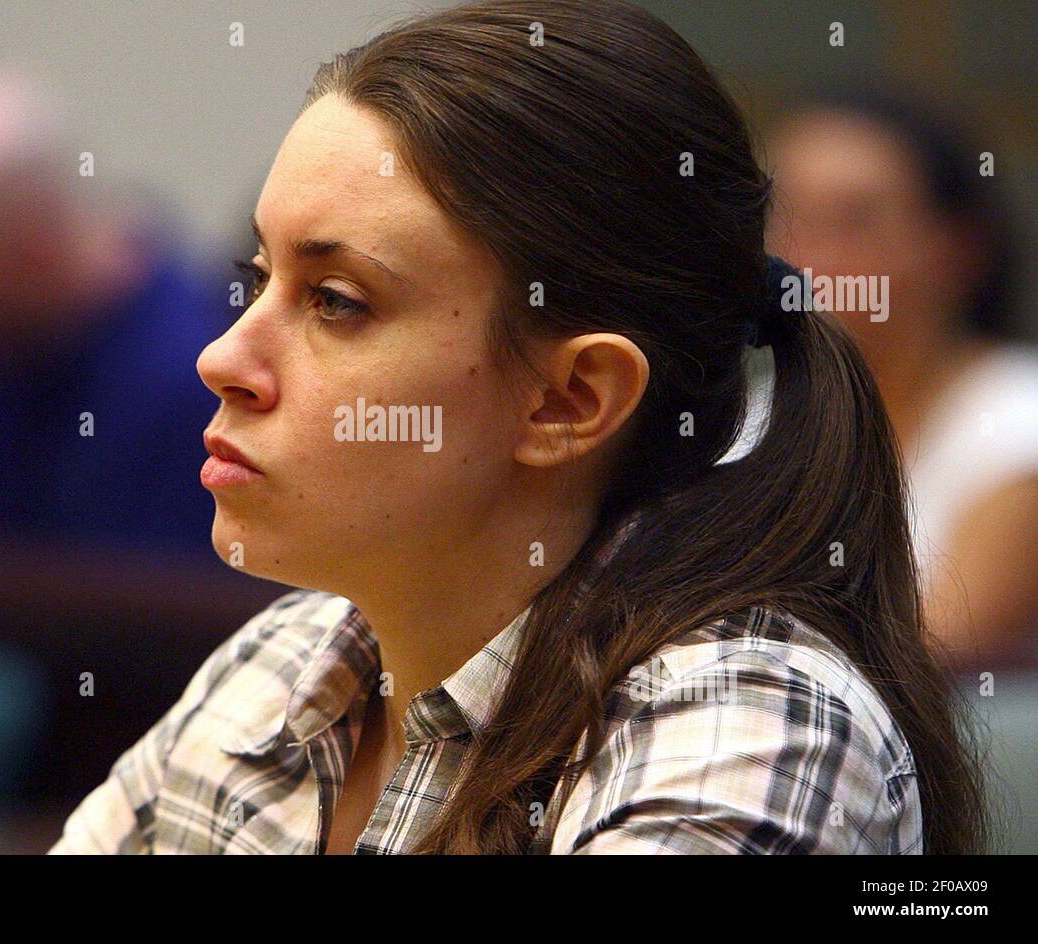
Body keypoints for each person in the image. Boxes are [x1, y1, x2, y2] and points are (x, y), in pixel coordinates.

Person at [52, 0, 987, 855]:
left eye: (336, 301)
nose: (220, 358)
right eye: (261, 281)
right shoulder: (280, 665)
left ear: (570, 399)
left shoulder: (751, 728)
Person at [768, 90, 1038, 668]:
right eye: (788, 219)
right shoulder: (752, 414)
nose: (809, 259)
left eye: (855, 221)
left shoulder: (1018, 417)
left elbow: (940, 642)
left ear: (959, 247)